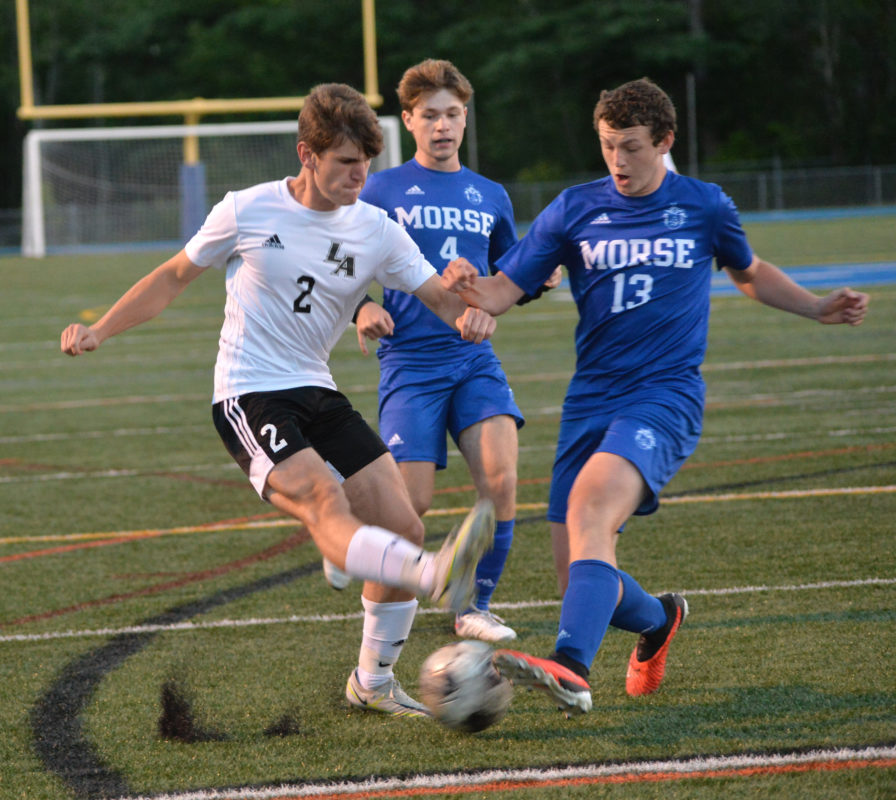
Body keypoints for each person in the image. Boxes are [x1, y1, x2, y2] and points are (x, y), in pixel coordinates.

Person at [60, 82, 500, 719]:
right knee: (324, 500)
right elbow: (172, 277)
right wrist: (100, 327)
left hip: (317, 390)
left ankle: (372, 683)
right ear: (307, 154)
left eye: (366, 163)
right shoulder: (247, 210)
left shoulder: (376, 228)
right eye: (346, 162)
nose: (358, 175)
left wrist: (472, 312)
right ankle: (432, 575)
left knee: (403, 523)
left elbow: (441, 300)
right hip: (249, 393)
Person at [440, 77, 869, 716]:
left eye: (632, 147)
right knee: (581, 574)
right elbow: (502, 291)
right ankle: (660, 619)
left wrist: (814, 306)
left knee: (591, 511)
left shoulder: (704, 205)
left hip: (664, 396)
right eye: (609, 145)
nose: (618, 161)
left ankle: (571, 667)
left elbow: (747, 272)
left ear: (664, 142)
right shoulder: (572, 209)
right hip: (589, 401)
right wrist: (463, 288)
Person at [338, 58, 558, 645]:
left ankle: (473, 606)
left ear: (465, 118)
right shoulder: (379, 189)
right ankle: (348, 542)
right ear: (408, 120)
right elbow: (339, 261)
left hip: (474, 360)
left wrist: (539, 279)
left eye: (453, 114)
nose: (443, 126)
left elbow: (511, 273)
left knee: (502, 481)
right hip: (410, 363)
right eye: (430, 115)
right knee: (409, 508)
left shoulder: (490, 195)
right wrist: (362, 308)